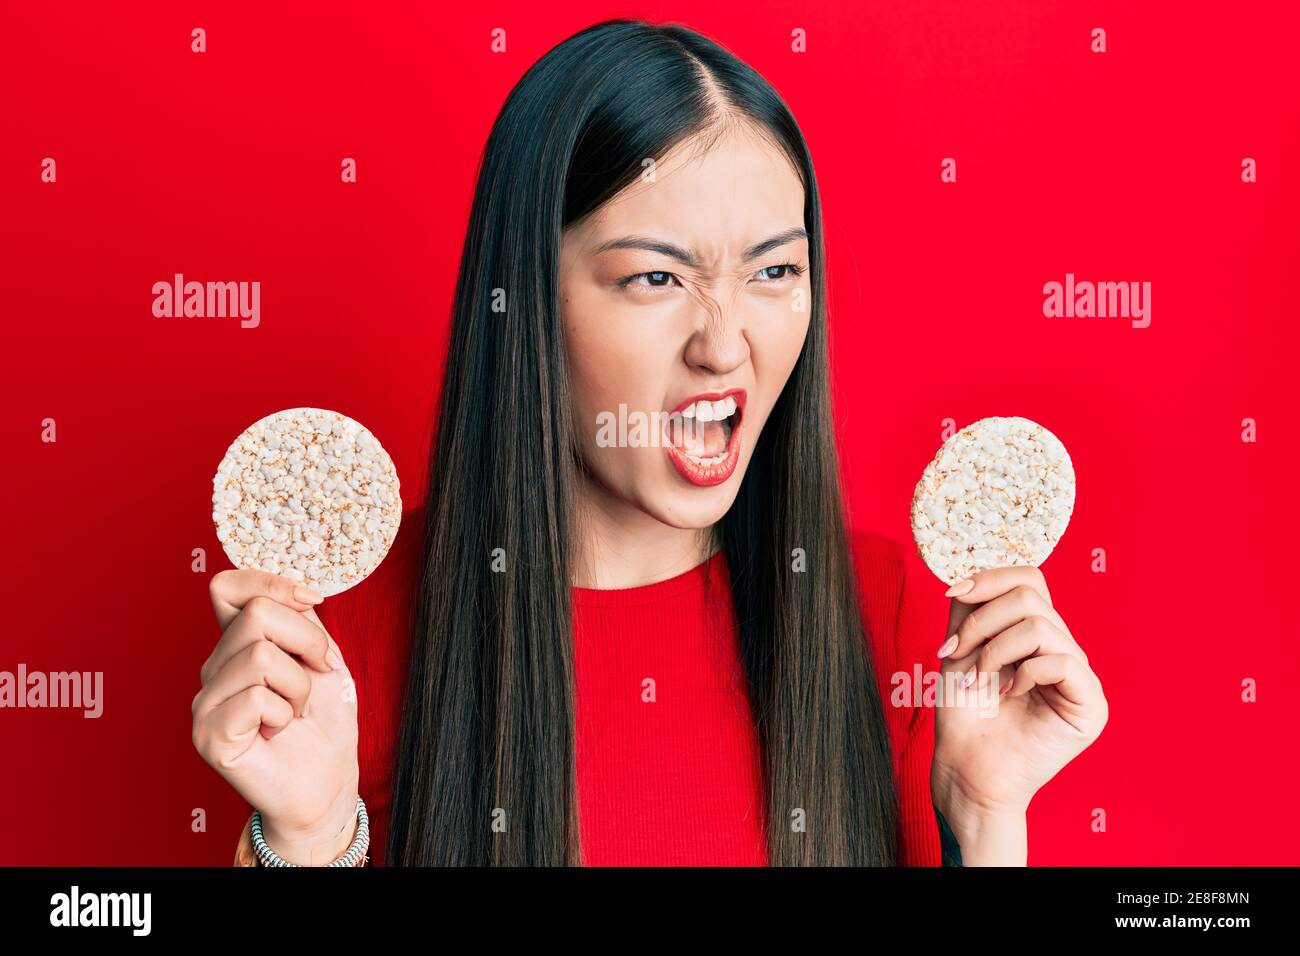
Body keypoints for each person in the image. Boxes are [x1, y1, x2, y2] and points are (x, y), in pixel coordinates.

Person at [191, 18, 1107, 867]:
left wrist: (987, 822)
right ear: (527, 300)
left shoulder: (900, 625)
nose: (723, 343)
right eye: (656, 276)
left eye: (777, 271)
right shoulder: (335, 656)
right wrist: (308, 840)